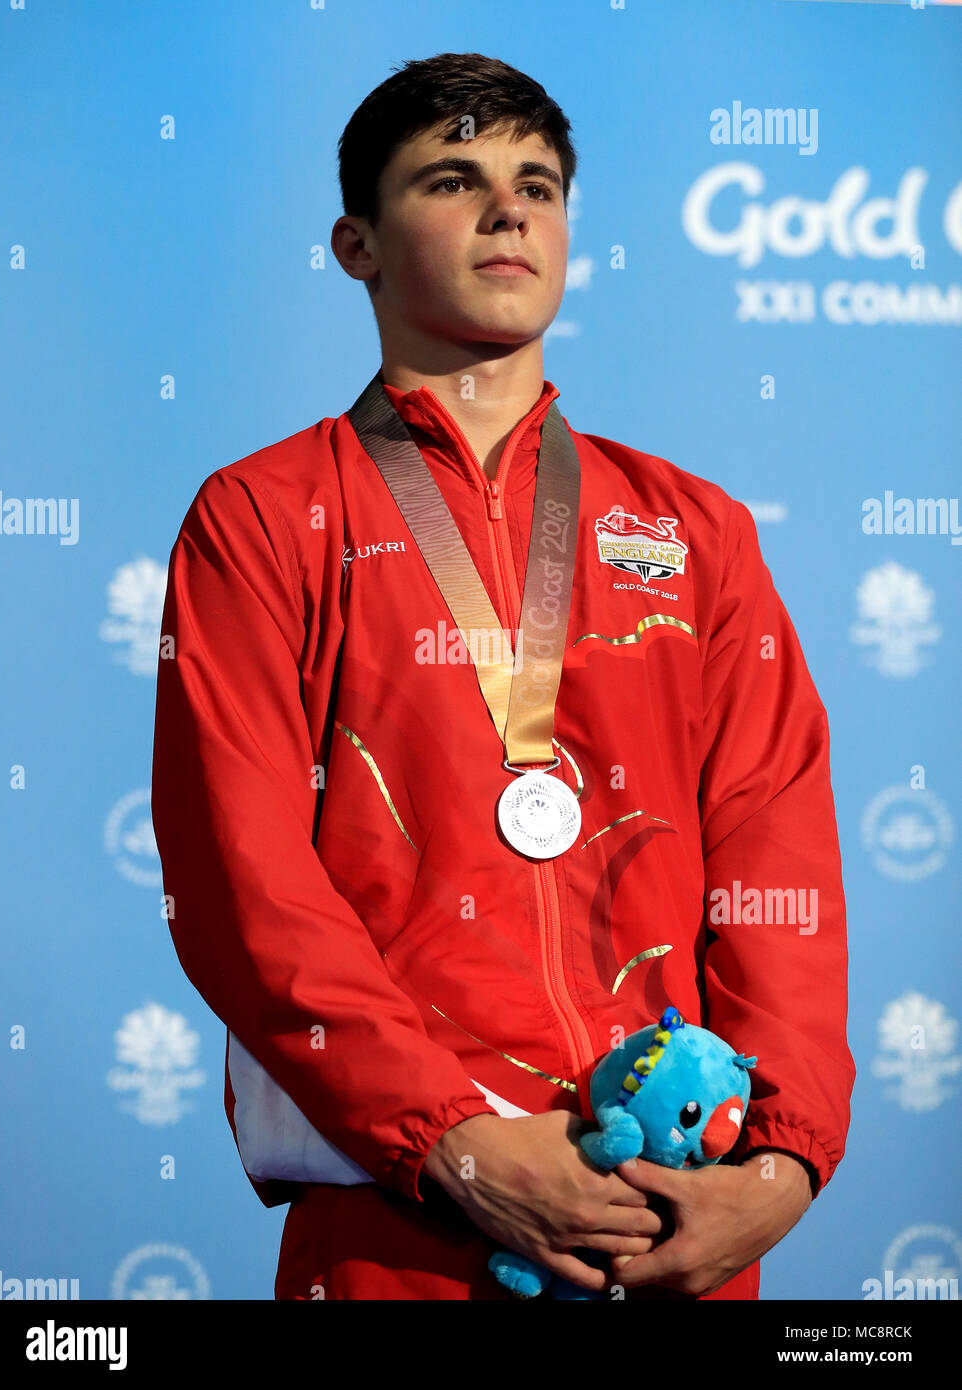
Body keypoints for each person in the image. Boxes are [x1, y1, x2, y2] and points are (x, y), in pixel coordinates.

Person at [151, 52, 855, 1302]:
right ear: (355, 244)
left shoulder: (693, 530)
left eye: (537, 182)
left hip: (667, 1224)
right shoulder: (264, 516)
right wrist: (453, 1140)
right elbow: (242, 881)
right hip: (402, 1220)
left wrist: (778, 1168)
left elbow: (774, 855)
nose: (507, 209)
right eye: (453, 178)